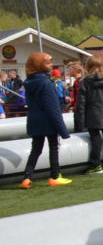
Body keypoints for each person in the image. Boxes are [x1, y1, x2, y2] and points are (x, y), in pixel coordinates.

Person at [19, 52, 72, 189]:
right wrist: (63, 130)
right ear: (39, 64)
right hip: (48, 120)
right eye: (48, 62)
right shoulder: (46, 83)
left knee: (36, 149)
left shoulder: (29, 82)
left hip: (34, 119)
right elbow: (52, 108)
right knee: (53, 147)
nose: (51, 65)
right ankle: (55, 176)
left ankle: (27, 177)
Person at [79, 56, 103, 174]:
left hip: (92, 114)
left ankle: (96, 165)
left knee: (95, 140)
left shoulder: (85, 82)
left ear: (87, 67)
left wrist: (80, 120)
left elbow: (81, 103)